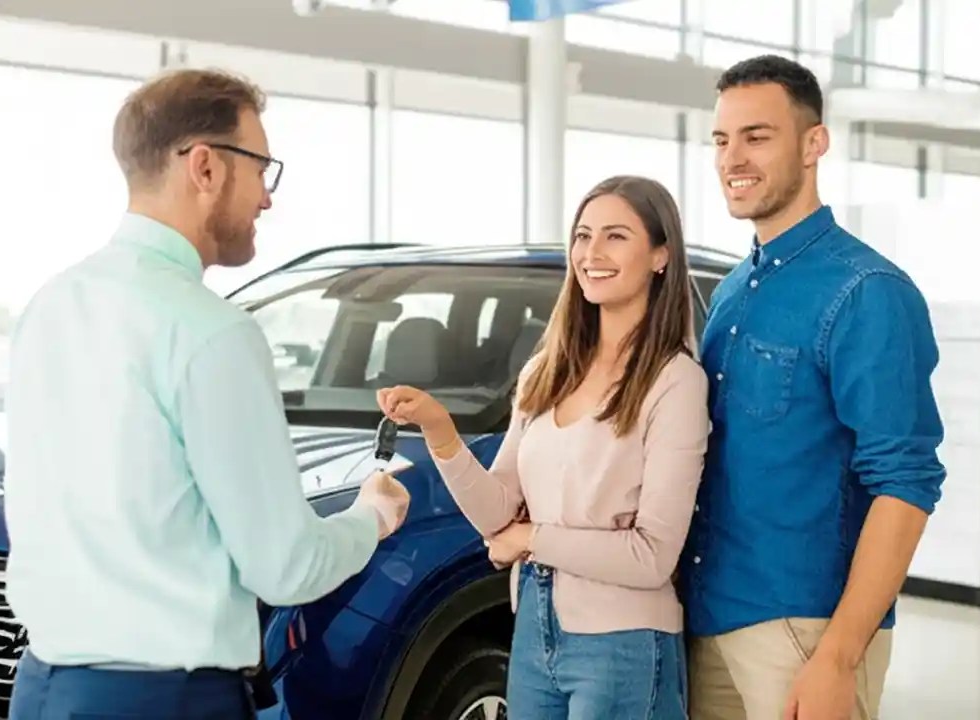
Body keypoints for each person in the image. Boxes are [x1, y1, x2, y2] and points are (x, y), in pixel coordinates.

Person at [1, 68, 411, 720]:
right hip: (167, 699)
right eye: (262, 169)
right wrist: (371, 516)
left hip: (44, 690)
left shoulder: (51, 305)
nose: (267, 199)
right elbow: (287, 569)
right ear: (205, 167)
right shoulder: (210, 332)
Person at [377, 175, 709, 719]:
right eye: (582, 235)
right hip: (534, 631)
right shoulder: (546, 371)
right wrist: (441, 433)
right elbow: (498, 513)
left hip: (623, 646)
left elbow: (651, 556)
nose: (591, 253)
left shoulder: (674, 383)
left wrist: (530, 538)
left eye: (616, 237)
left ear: (660, 256)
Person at [680, 54, 947, 720]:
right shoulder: (737, 289)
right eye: (721, 139)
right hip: (707, 615)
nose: (731, 158)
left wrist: (838, 655)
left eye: (757, 136)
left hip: (803, 634)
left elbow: (905, 484)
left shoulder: (868, 292)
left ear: (814, 143)